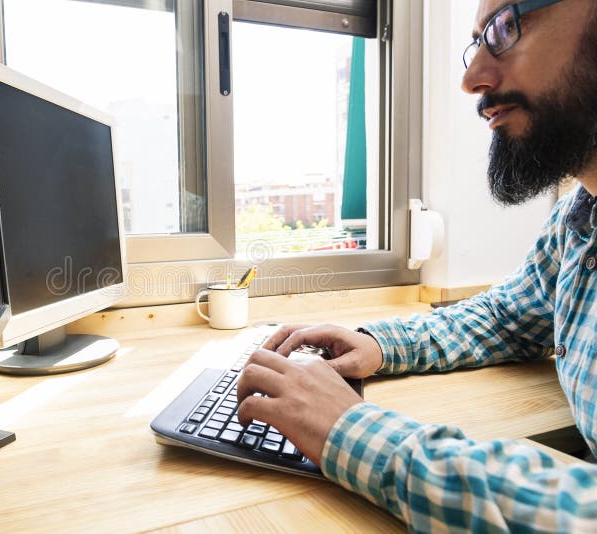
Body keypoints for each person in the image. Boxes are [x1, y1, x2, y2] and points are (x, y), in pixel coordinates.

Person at [236, 0, 597, 530]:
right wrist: (380, 344)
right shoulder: (579, 217)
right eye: (477, 43)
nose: (472, 79)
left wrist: (351, 430)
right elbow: (505, 317)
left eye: (504, 28)